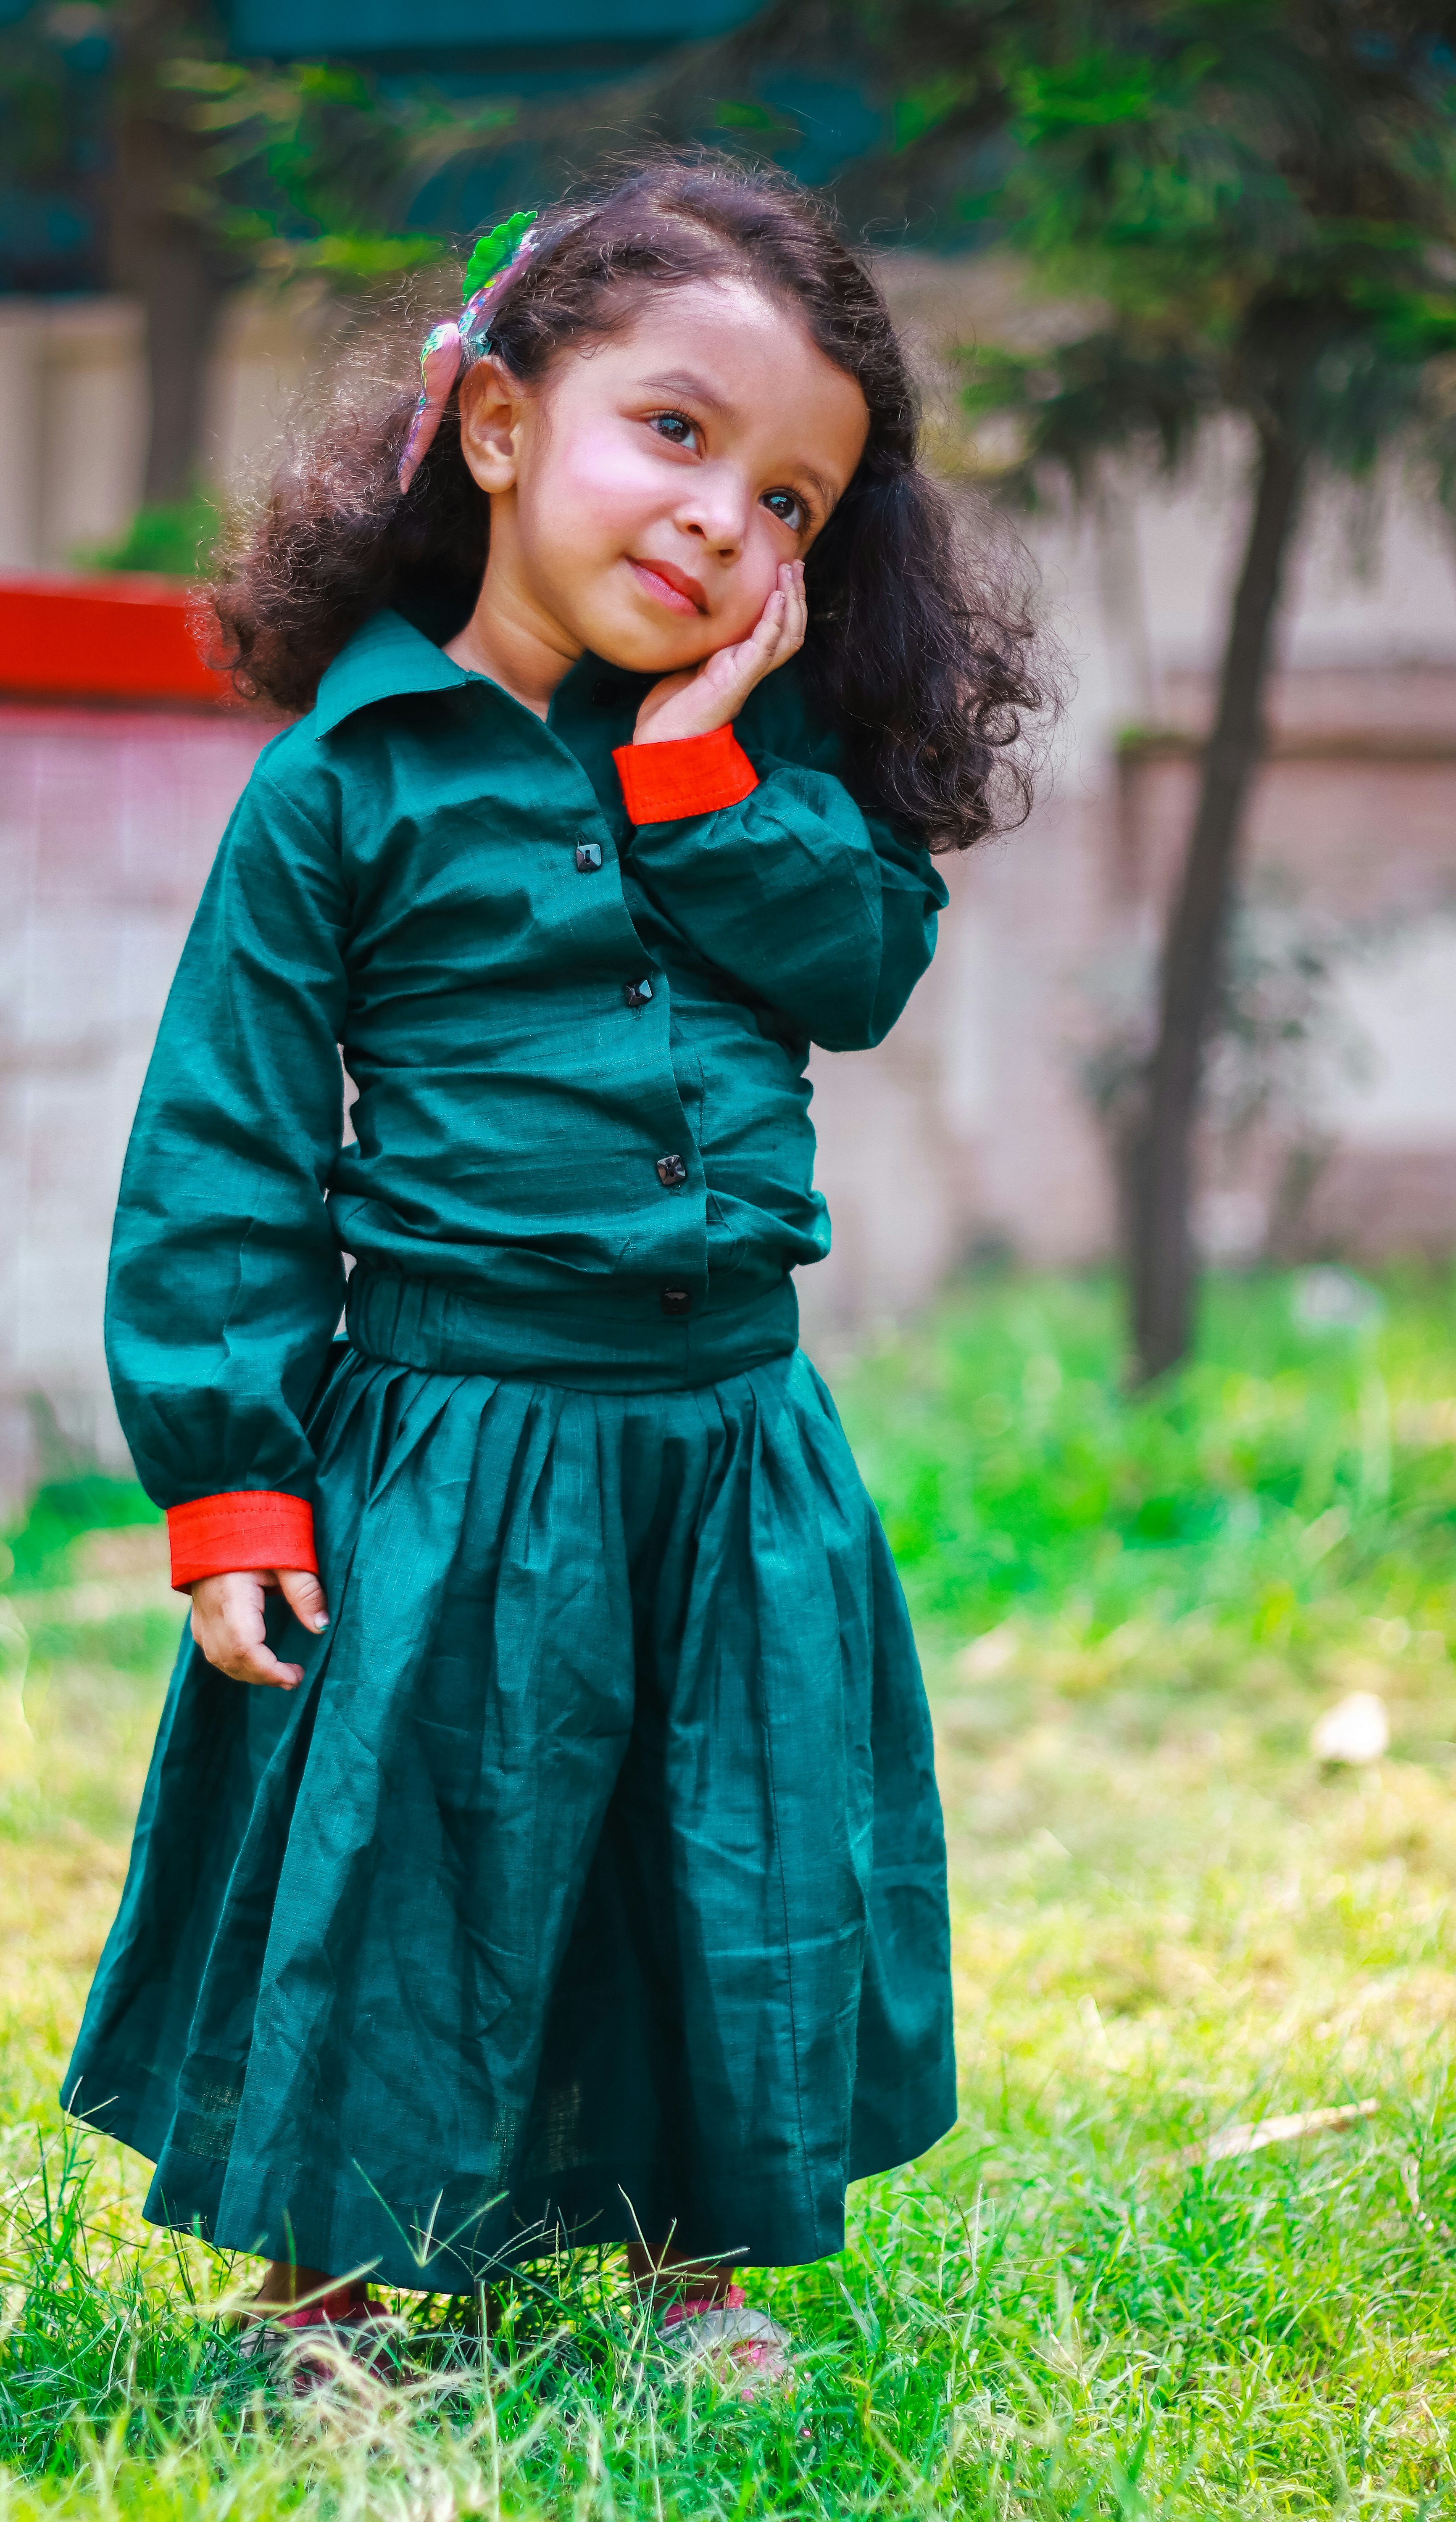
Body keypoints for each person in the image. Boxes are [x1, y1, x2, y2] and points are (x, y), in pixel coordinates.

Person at [63, 156, 1045, 2385]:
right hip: (449, 1437)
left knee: (721, 1847)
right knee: (416, 1857)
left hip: (725, 1442)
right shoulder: (352, 783)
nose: (727, 519)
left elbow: (864, 964)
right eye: (677, 434)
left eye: (795, 501)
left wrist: (703, 773)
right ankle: (334, 2291)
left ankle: (695, 2267)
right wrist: (230, 1474)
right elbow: (224, 1133)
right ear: (499, 426)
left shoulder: (763, 776)